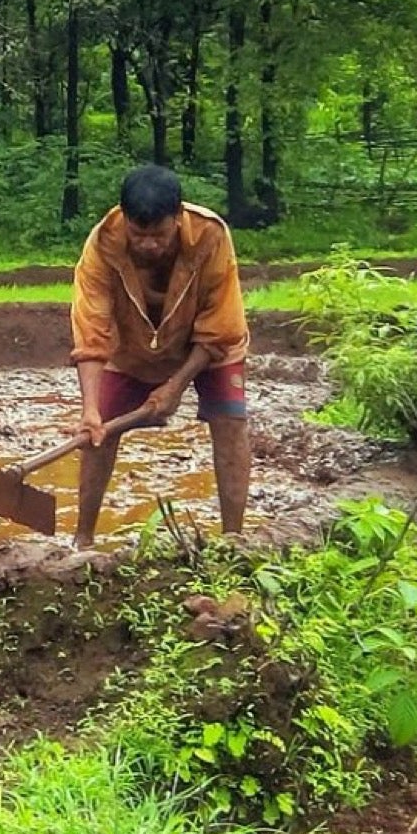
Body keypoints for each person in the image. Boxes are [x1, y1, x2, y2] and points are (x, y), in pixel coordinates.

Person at [69, 163, 250, 547]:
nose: (149, 244)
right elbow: (91, 331)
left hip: (209, 347)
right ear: (125, 220)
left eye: (160, 235)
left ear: (178, 219)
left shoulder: (211, 236)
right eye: (139, 234)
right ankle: (82, 540)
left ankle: (234, 540)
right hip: (132, 346)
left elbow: (219, 326)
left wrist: (175, 386)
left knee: (230, 420)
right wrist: (89, 411)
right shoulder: (102, 245)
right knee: (98, 431)